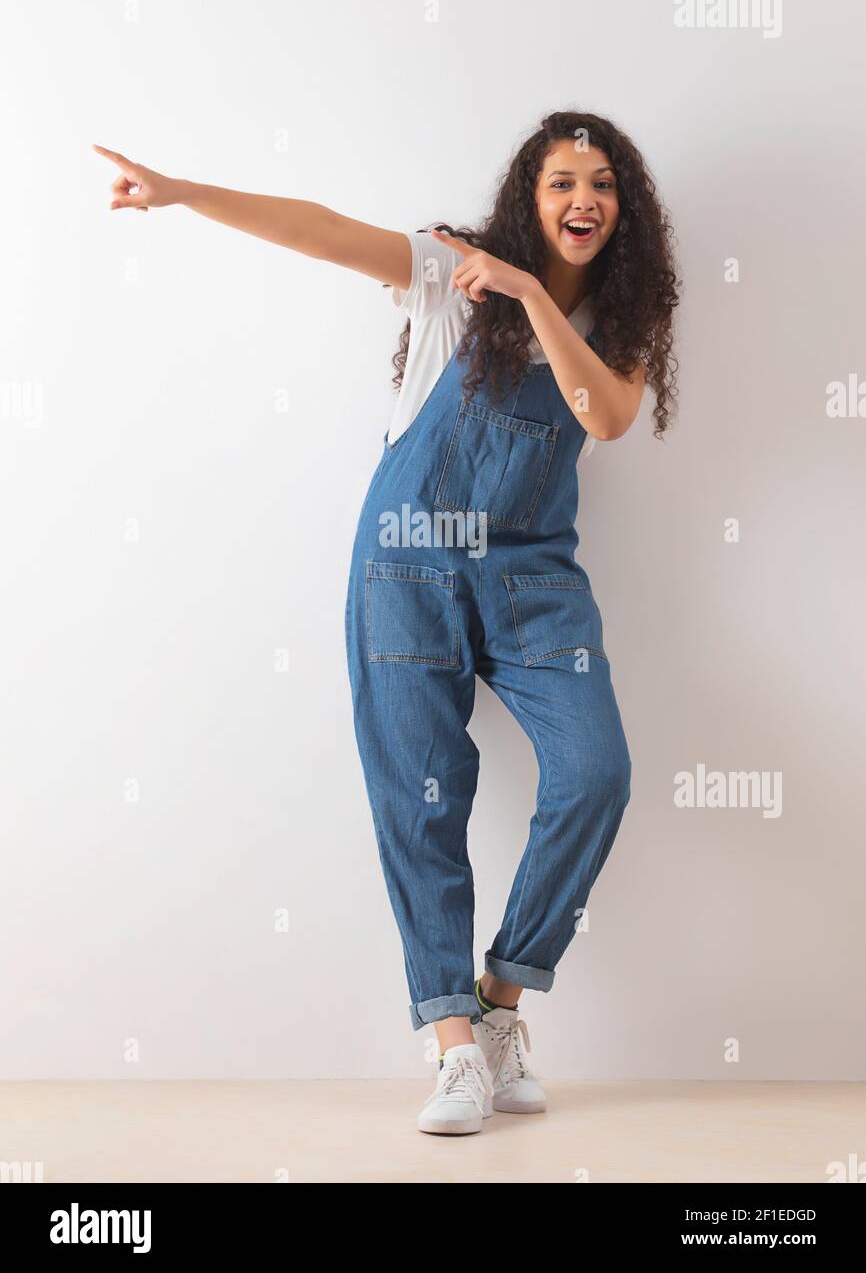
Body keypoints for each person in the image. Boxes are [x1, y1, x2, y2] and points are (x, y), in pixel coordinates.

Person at [94, 109, 679, 1137]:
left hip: (531, 581)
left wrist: (533, 291)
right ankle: (453, 1044)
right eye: (557, 182)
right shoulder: (446, 275)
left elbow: (603, 417)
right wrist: (183, 192)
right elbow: (319, 228)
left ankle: (502, 1005)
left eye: (599, 183)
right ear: (527, 196)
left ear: (620, 206)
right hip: (405, 563)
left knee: (596, 771)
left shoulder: (614, 327)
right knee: (422, 795)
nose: (580, 199)